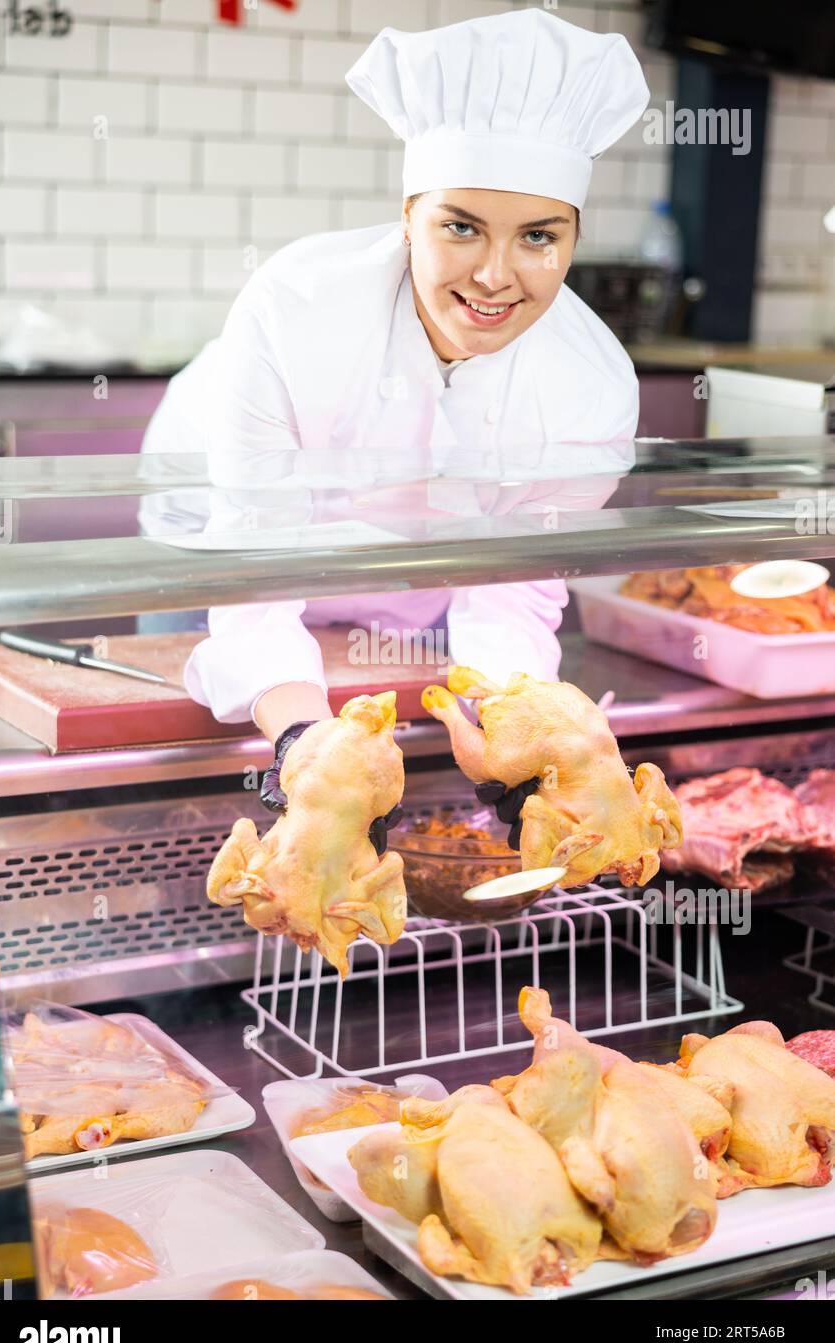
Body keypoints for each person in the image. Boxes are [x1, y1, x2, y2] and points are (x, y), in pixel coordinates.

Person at [141, 7, 649, 776]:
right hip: (223, 558)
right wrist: (301, 749)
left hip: (417, 594)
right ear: (409, 216)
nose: (494, 275)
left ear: (573, 237)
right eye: (461, 227)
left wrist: (520, 736)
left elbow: (511, 589)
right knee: (206, 786)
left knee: (433, 784)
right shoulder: (296, 309)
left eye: (539, 236)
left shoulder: (591, 385)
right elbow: (252, 571)